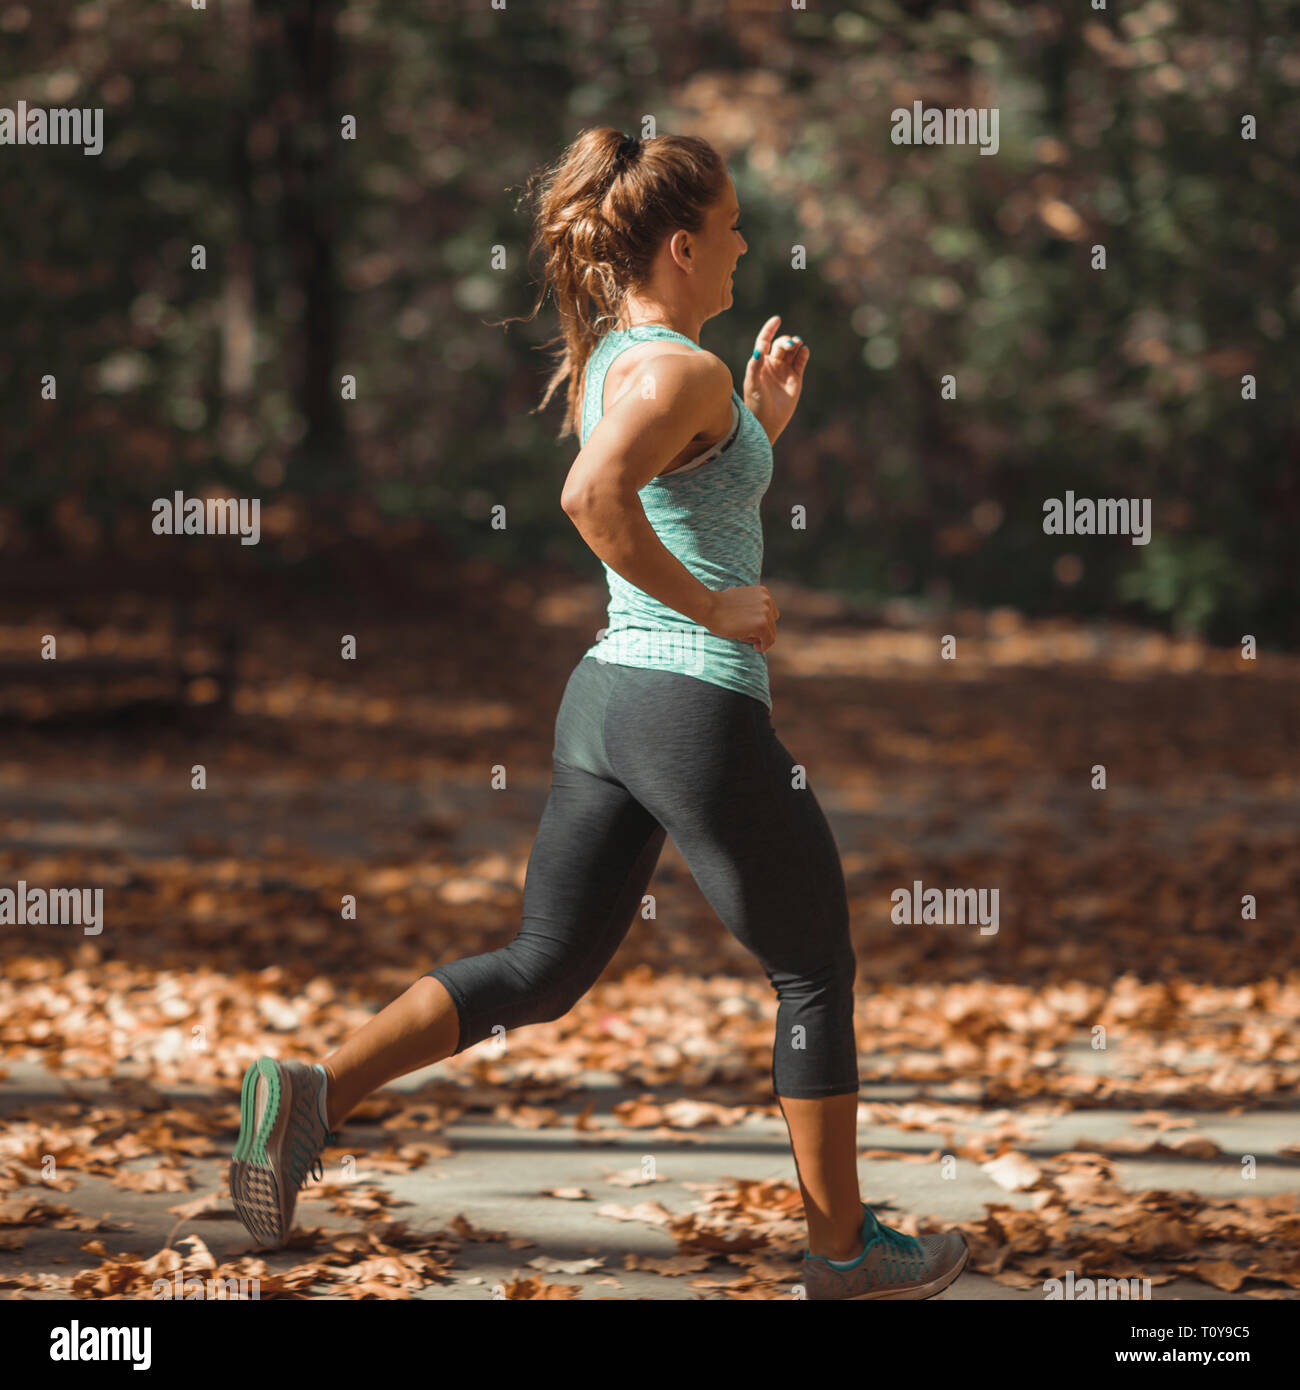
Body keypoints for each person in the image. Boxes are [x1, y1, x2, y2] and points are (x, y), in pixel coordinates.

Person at [229, 126, 968, 1301]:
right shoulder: (682, 372)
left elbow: (673, 495)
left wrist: (762, 432)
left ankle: (315, 1091)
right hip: (691, 708)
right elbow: (594, 495)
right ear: (681, 244)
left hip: (606, 703)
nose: (742, 247)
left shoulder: (626, 360)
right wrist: (717, 611)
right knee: (815, 967)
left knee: (540, 965)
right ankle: (844, 1256)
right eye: (728, 229)